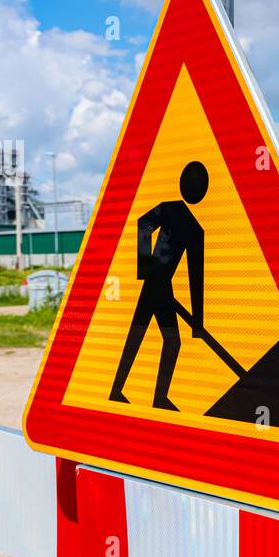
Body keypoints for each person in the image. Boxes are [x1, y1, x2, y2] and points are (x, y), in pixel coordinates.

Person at [109, 161, 208, 410]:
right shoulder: (181, 217)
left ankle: (120, 391)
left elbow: (196, 274)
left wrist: (198, 321)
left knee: (139, 333)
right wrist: (145, 270)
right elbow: (143, 224)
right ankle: (155, 398)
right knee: (162, 340)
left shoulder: (193, 227)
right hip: (158, 283)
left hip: (160, 284)